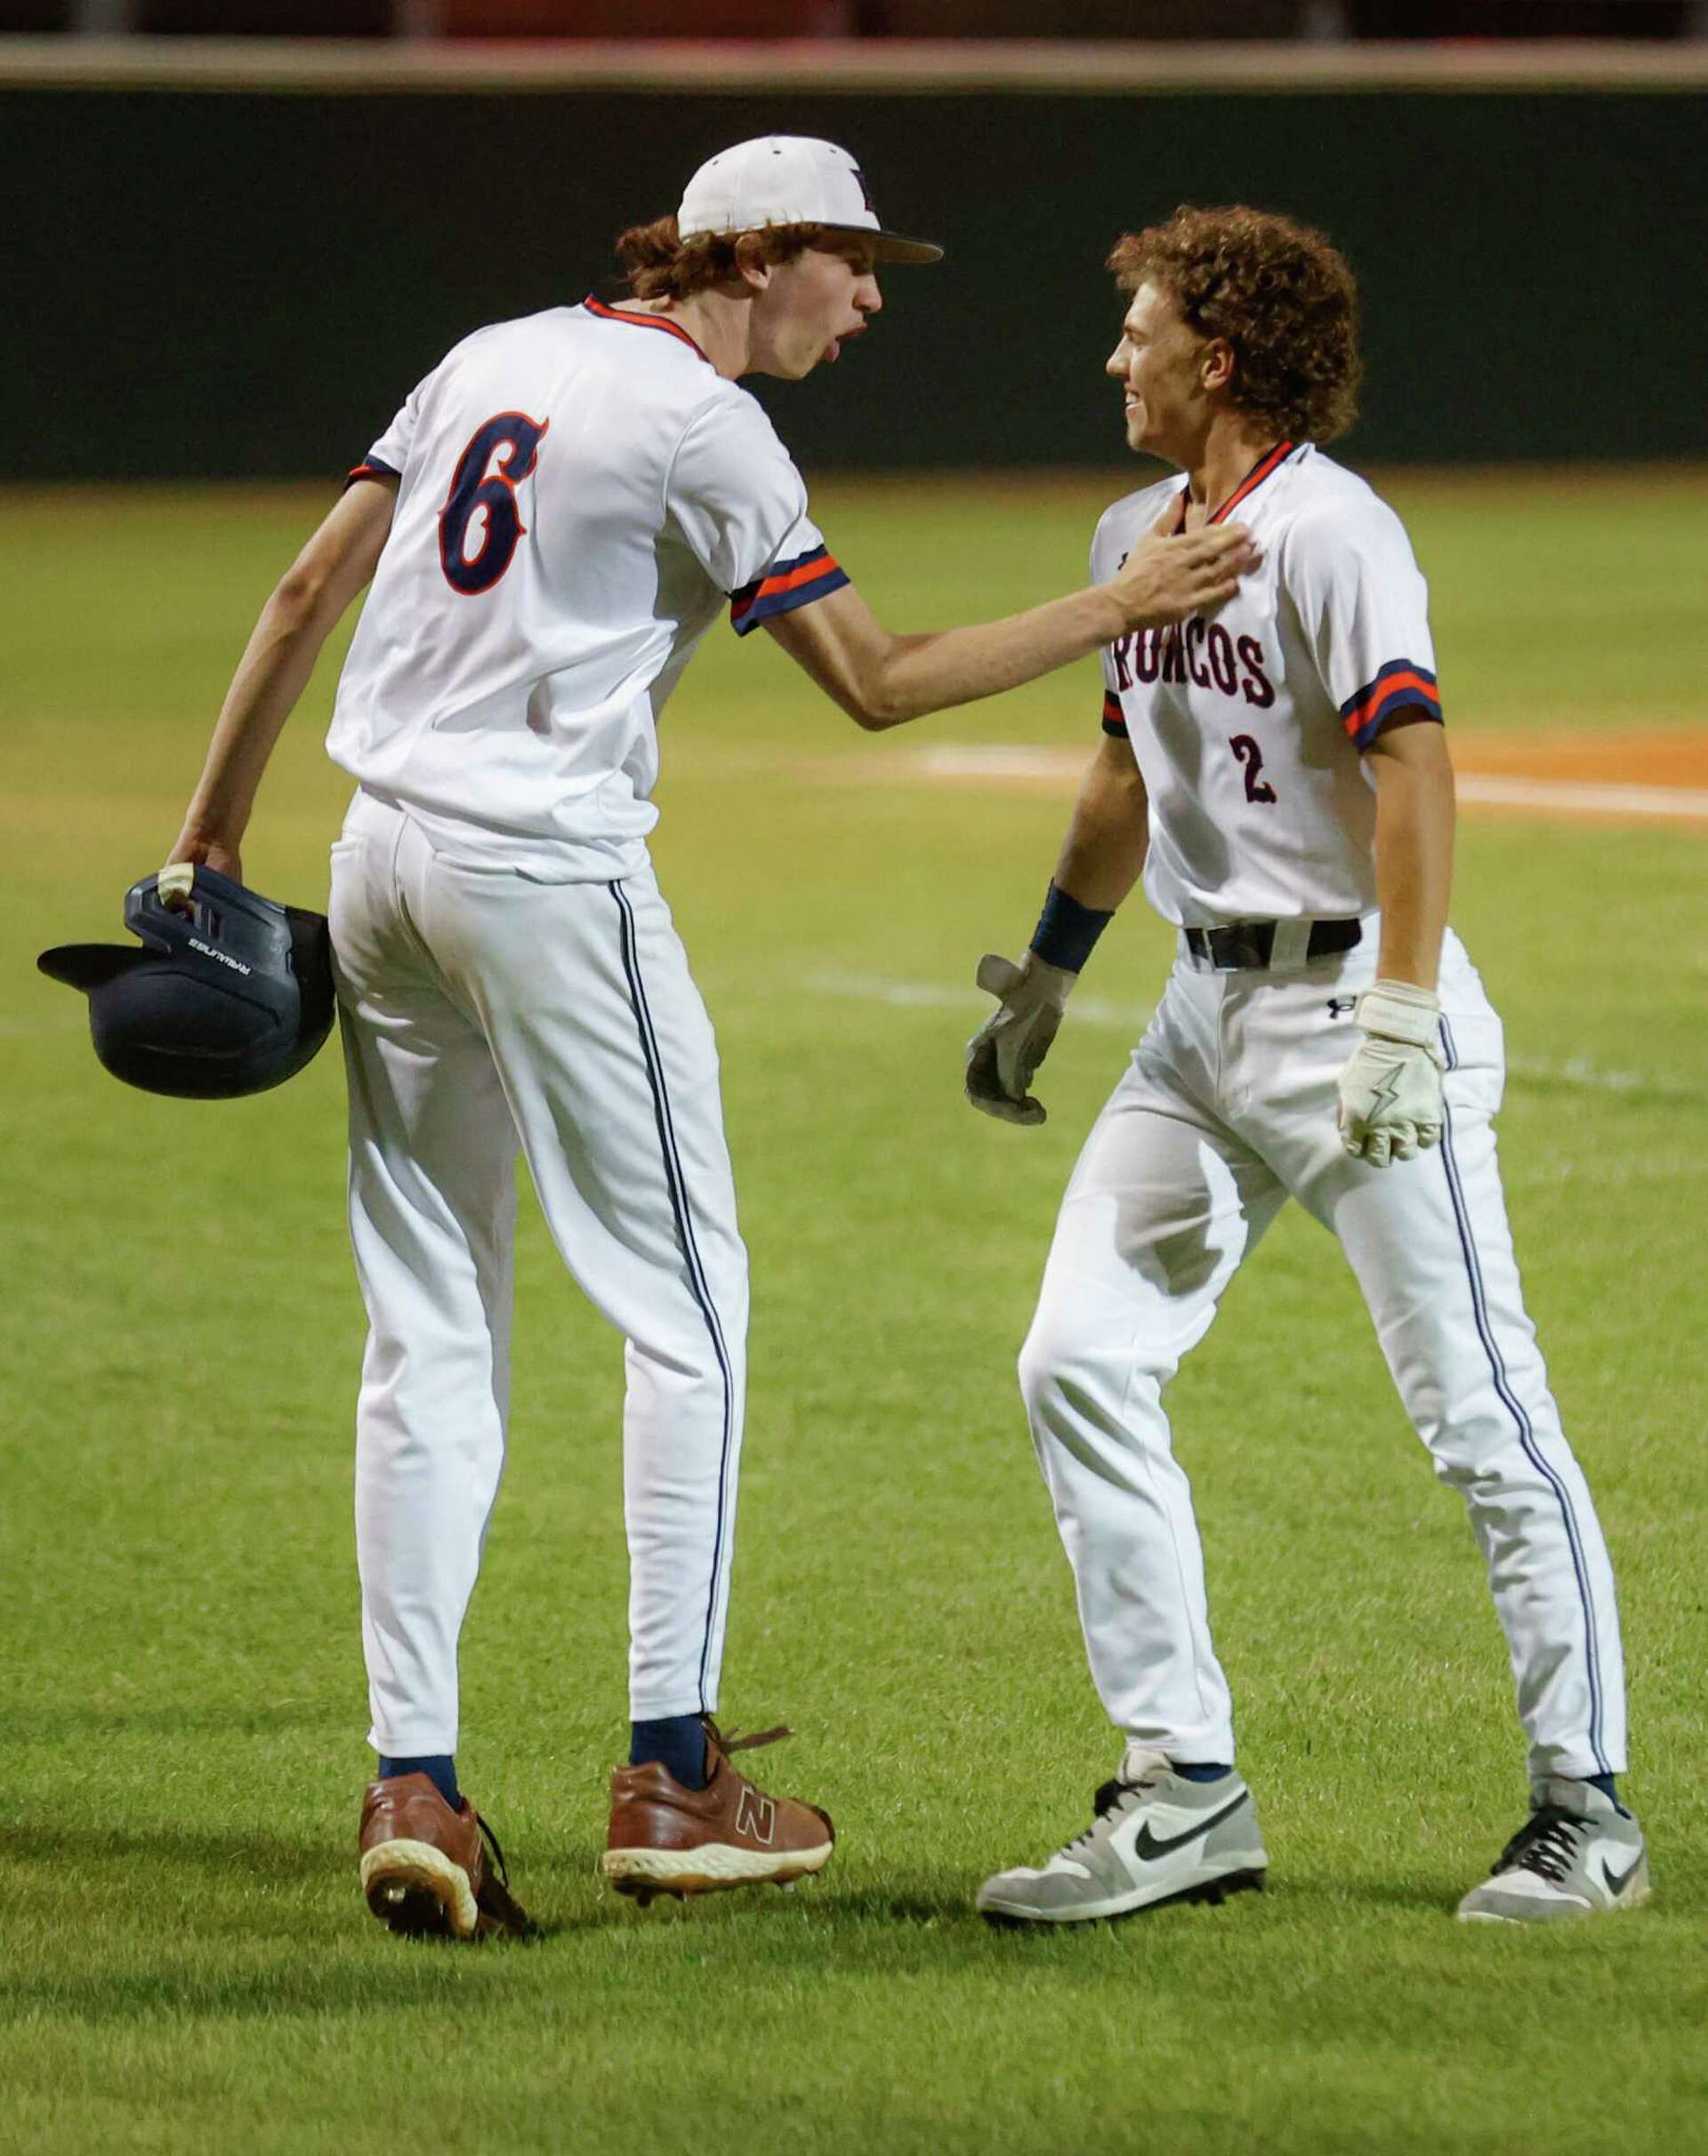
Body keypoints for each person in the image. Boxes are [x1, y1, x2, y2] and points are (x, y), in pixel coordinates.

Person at [165, 138, 1257, 1939]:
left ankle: (414, 1777)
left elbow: (301, 596)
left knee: (430, 1321)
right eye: (854, 262)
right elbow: (878, 681)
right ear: (758, 256)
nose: (875, 294)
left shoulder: (487, 355)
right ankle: (674, 1770)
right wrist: (1119, 603)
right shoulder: (706, 425)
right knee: (690, 1306)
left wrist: (209, 828)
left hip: (377, 866)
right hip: (543, 878)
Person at [966, 205, 1647, 1928]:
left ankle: (1589, 1808)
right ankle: (1183, 1785)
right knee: (1077, 1363)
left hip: (1357, 1012)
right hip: (1200, 1027)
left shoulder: (1335, 533)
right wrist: (1050, 968)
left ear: (1221, 357)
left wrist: (1408, 1018)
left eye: (1139, 329)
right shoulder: (1140, 530)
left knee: (1482, 1417)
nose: (1113, 356)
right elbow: (1126, 778)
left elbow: (1412, 770)